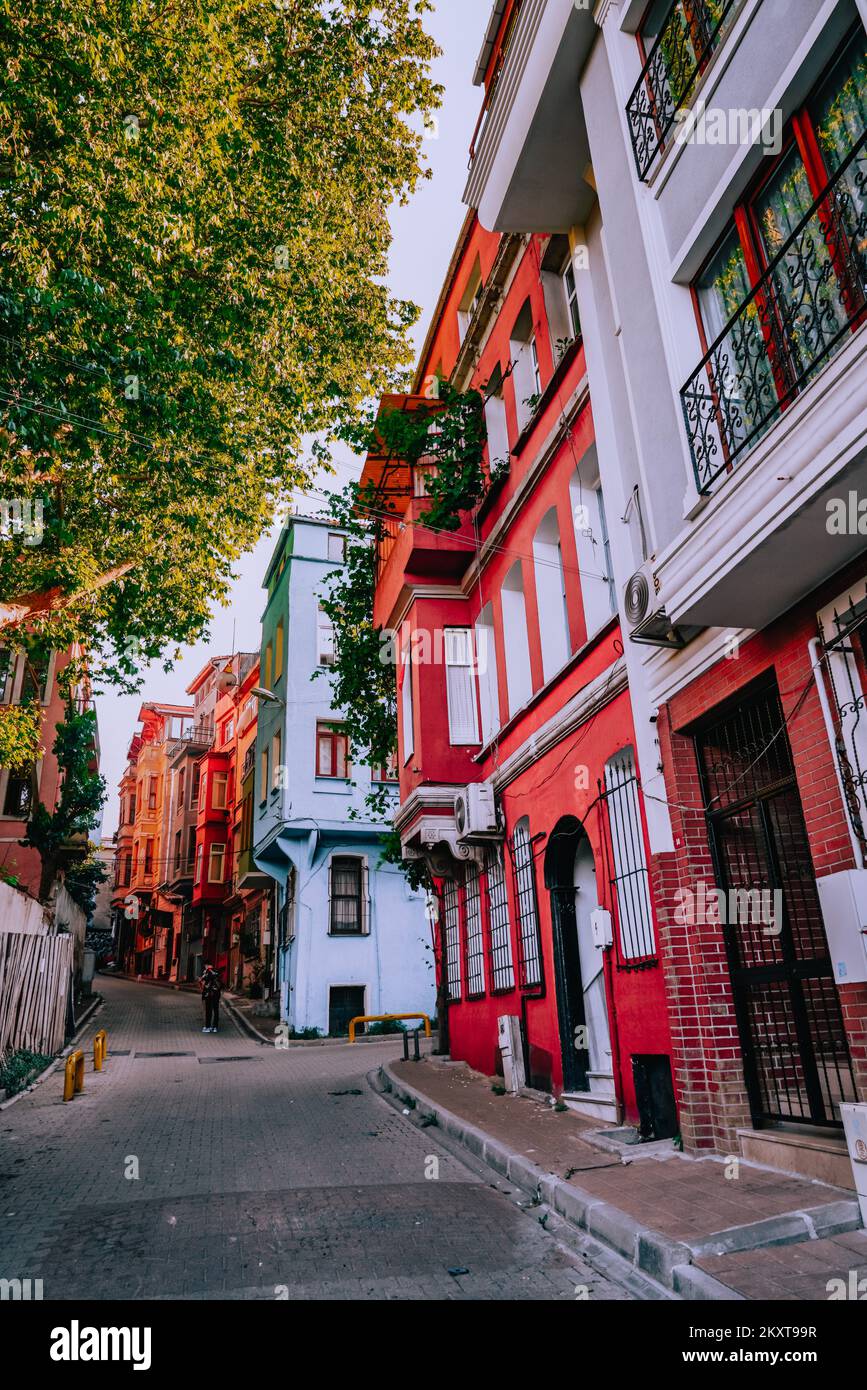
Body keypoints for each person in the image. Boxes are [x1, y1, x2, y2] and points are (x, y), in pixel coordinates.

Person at [201, 964, 222, 1033]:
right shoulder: (217, 972)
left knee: (208, 1011)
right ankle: (215, 1027)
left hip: (209, 994)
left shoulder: (207, 972)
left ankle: (208, 1027)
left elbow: (202, 982)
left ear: (207, 965)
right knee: (216, 1011)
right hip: (216, 994)